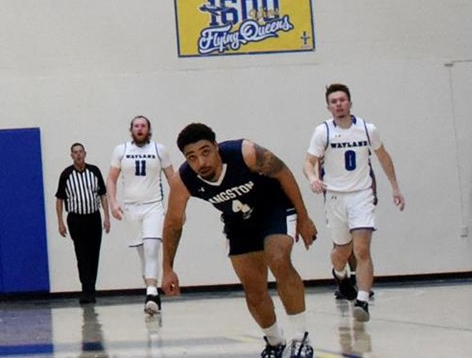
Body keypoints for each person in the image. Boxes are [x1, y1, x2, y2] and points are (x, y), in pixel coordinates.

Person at [162, 123, 318, 358]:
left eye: (205, 152)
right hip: (238, 220)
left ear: (216, 147)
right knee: (253, 288)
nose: (201, 162)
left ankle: (300, 337)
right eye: (192, 157)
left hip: (274, 207)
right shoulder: (183, 180)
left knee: (278, 259)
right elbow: (173, 224)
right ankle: (275, 342)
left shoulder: (245, 153)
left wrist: (304, 217)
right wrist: (167, 268)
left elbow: (283, 172)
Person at [302, 83, 402, 321]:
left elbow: (383, 157)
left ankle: (363, 300)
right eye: (334, 101)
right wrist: (313, 178)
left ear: (350, 103)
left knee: (362, 249)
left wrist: (395, 187)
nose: (339, 104)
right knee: (341, 251)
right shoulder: (323, 132)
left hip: (362, 195)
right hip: (335, 197)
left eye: (342, 100)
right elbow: (308, 162)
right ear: (328, 107)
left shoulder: (367, 129)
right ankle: (340, 275)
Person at [108, 115, 172, 315]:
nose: (140, 129)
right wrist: (113, 203)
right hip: (131, 209)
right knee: (143, 255)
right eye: (136, 126)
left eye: (143, 125)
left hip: (154, 206)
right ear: (131, 130)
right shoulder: (121, 150)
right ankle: (152, 291)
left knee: (152, 248)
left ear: (149, 129)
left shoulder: (159, 150)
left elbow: (173, 179)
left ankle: (151, 293)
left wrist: (176, 208)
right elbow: (111, 179)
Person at [54, 143, 109, 305]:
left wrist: (106, 217)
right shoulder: (66, 174)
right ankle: (86, 289)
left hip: (93, 217)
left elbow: (102, 195)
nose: (78, 155)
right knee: (82, 254)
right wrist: (60, 222)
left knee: (94, 254)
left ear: (85, 153)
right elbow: (59, 199)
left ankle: (91, 289)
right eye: (75, 153)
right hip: (76, 219)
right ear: (71, 156)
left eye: (80, 152)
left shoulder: (94, 171)